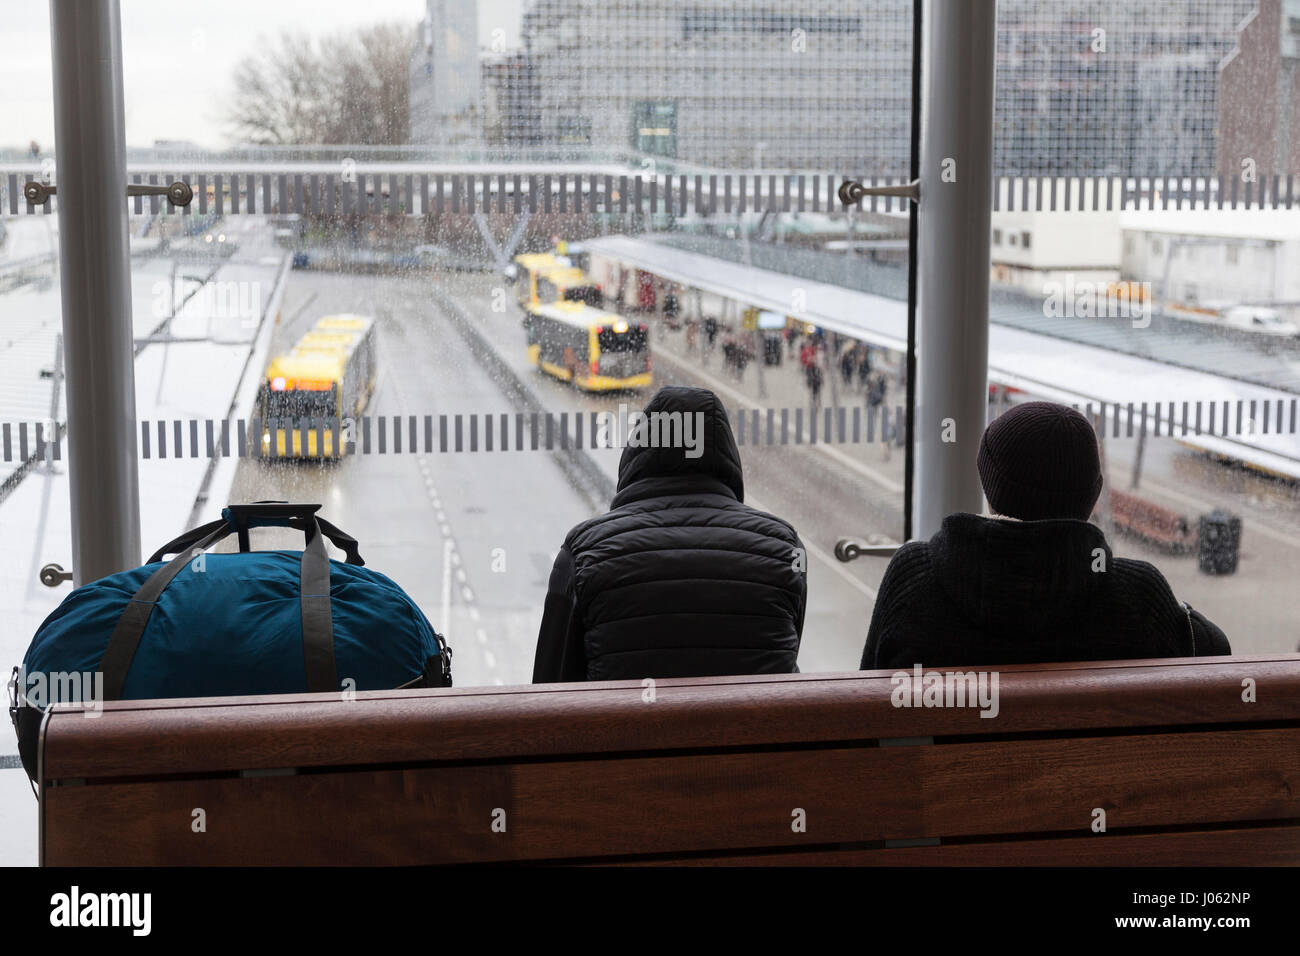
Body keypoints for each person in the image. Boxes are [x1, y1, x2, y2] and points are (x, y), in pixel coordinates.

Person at [860, 401, 1230, 671]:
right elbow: (1217, 654)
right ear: (1093, 497)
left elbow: (866, 694)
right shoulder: (1139, 596)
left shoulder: (914, 578)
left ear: (989, 487)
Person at [533, 386, 807, 682]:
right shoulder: (786, 549)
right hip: (757, 716)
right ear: (727, 451)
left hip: (628, 715)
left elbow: (550, 685)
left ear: (638, 448)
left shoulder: (583, 553)